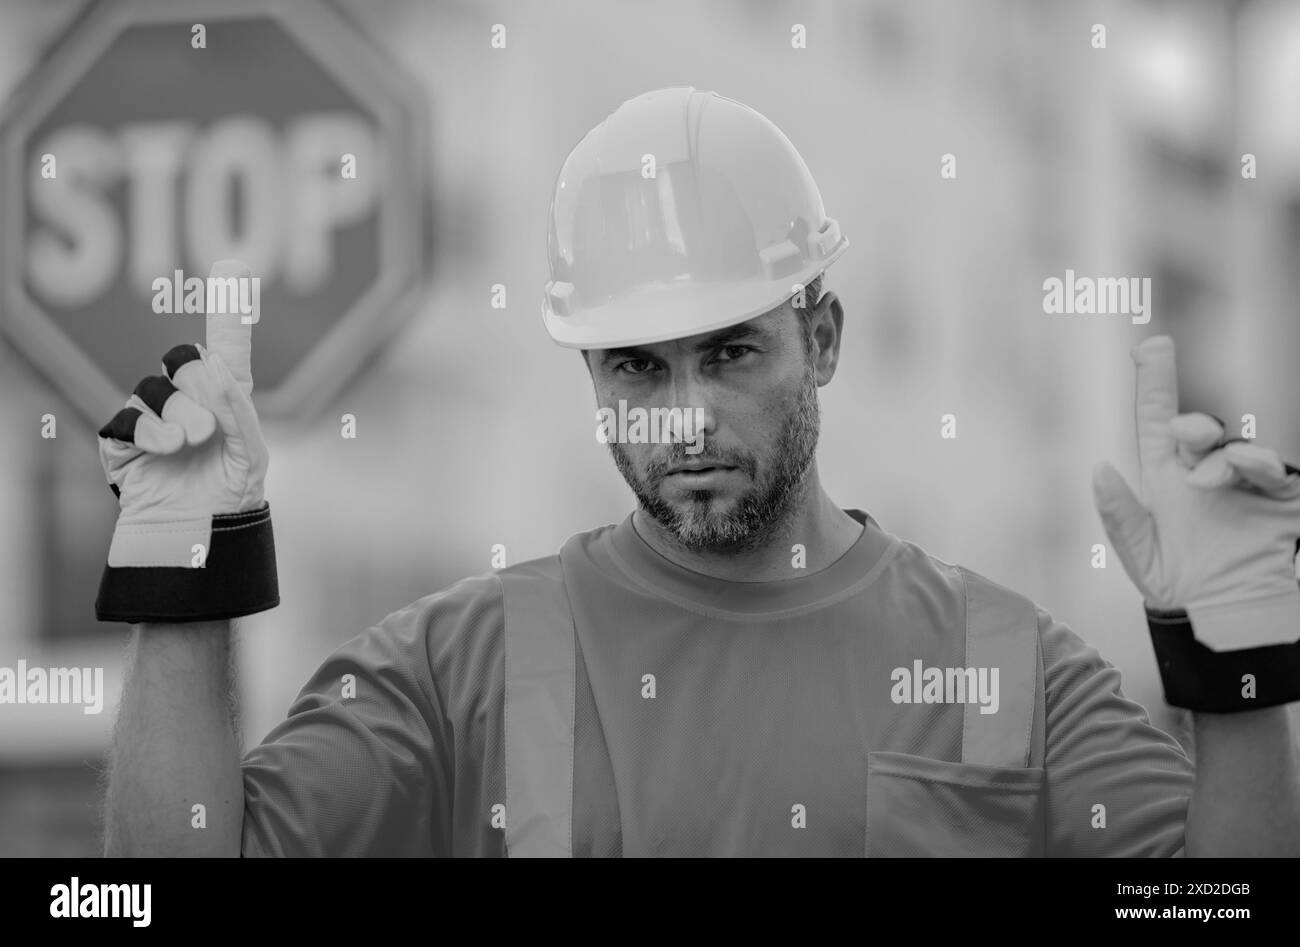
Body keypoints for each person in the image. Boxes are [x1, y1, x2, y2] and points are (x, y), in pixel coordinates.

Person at [100, 88, 1300, 857]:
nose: (682, 416)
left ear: (820, 340)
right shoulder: (455, 664)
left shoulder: (999, 660)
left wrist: (1239, 670)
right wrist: (184, 578)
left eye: (729, 352)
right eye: (635, 366)